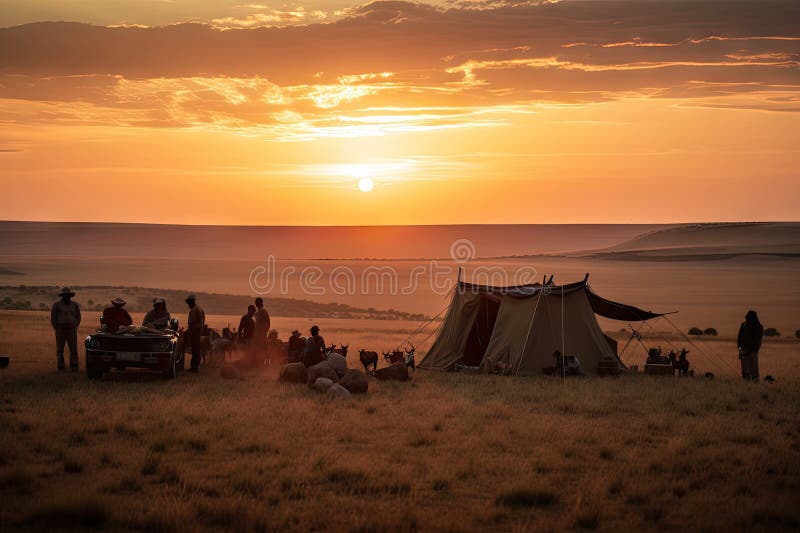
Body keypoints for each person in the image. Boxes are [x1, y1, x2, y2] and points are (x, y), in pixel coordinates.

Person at [50, 287, 81, 371]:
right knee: (60, 349)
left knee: (73, 349)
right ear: (62, 296)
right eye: (65, 295)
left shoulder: (75, 305)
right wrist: (56, 327)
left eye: (68, 295)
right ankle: (61, 367)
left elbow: (78, 317)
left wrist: (75, 325)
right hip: (60, 330)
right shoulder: (56, 305)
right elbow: (53, 317)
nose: (67, 296)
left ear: (70, 296)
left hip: (72, 329)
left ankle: (74, 367)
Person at [738, 310, 763, 382]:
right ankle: (747, 384)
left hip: (753, 351)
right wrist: (740, 349)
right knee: (745, 369)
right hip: (745, 350)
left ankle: (754, 384)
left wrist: (742, 350)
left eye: (748, 318)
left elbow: (757, 340)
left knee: (753, 369)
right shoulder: (744, 325)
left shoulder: (758, 327)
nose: (747, 319)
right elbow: (739, 338)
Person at [186, 294, 206, 373]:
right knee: (195, 350)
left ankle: (195, 367)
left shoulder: (196, 309)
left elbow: (200, 323)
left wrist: (194, 329)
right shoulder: (196, 309)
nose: (188, 305)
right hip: (194, 332)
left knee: (196, 350)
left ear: (192, 302)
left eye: (189, 303)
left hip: (196, 333)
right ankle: (194, 367)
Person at [252, 297, 271, 364]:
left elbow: (258, 324)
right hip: (261, 334)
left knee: (263, 349)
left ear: (261, 303)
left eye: (258, 302)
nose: (256, 304)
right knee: (262, 349)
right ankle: (261, 362)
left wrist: (262, 333)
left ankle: (264, 362)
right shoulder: (260, 312)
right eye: (256, 302)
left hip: (261, 335)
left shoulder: (262, 311)